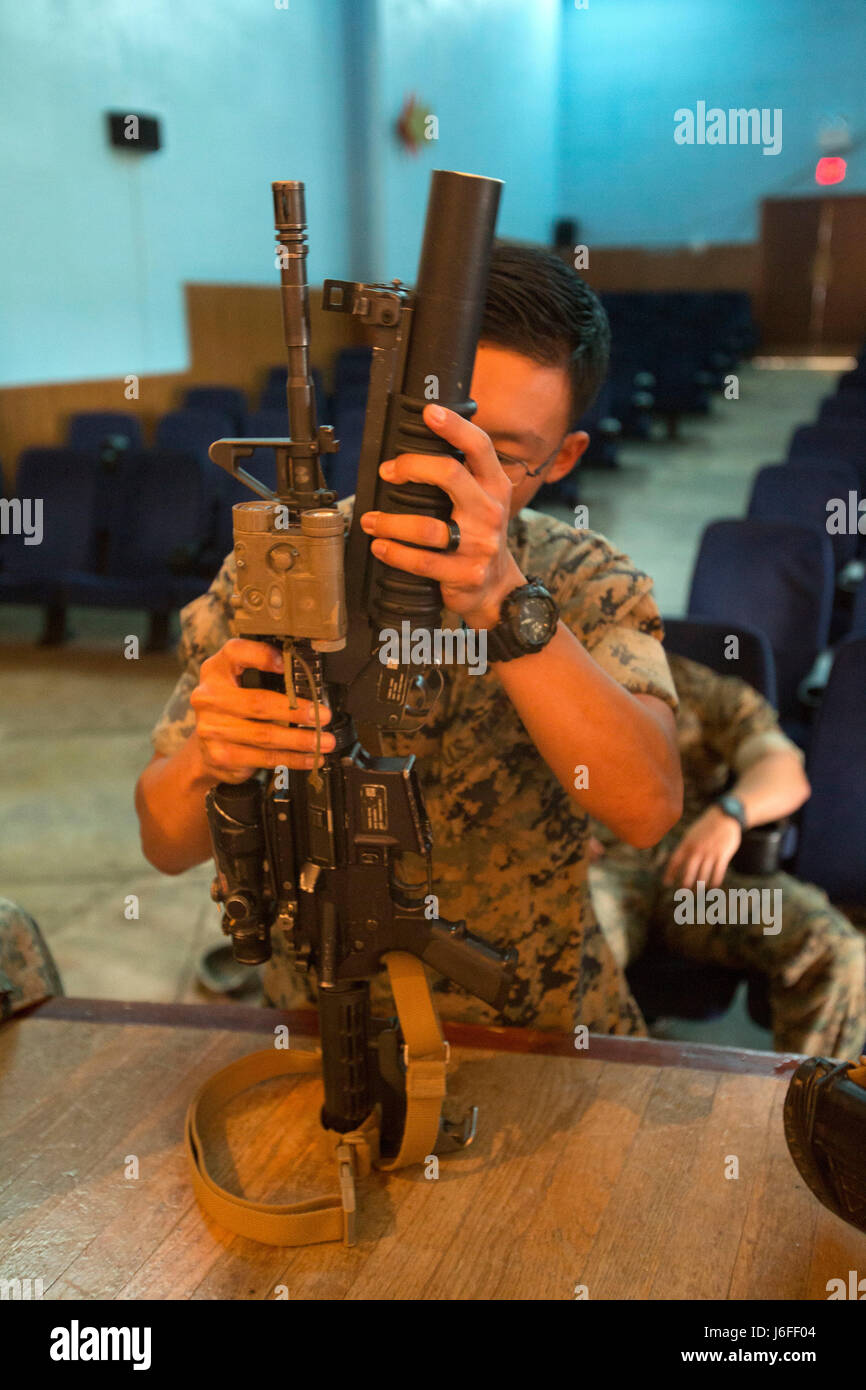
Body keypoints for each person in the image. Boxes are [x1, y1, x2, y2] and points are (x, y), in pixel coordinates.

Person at [135, 245, 683, 1034]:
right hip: (321, 1027)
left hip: (543, 1032)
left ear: (563, 459)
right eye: (444, 438)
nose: (458, 477)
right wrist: (206, 759)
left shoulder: (587, 578)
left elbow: (647, 807)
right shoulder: (291, 566)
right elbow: (163, 841)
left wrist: (504, 597)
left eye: (506, 456)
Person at [589, 651, 866, 1057]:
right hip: (594, 871)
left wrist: (731, 814)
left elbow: (783, 769)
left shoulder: (700, 688)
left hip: (690, 880)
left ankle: (812, 1105)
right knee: (565, 955)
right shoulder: (532, 679)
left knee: (832, 949)